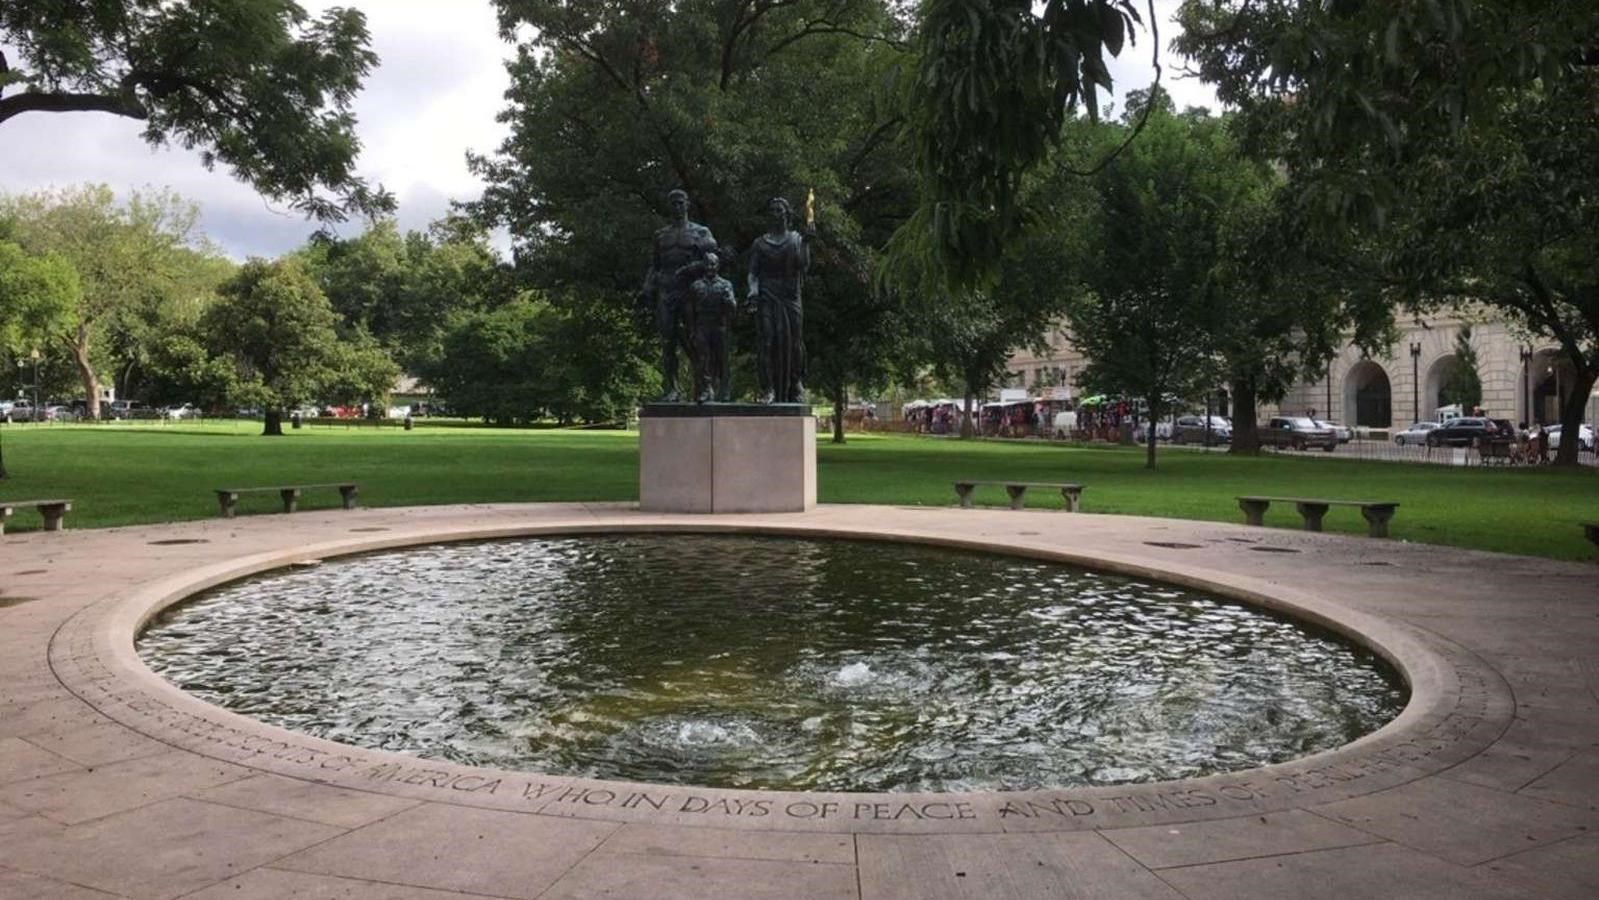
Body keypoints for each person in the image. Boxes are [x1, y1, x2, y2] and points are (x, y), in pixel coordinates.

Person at [641, 189, 718, 402]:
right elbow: (655, 266)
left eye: (680, 202)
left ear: (687, 204)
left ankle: (705, 386)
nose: (677, 206)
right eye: (673, 203)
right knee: (667, 343)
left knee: (697, 339)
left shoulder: (701, 233)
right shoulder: (661, 235)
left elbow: (712, 261)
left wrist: (693, 268)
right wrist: (648, 285)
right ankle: (672, 388)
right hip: (666, 292)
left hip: (690, 291)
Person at [747, 196, 812, 404]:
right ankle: (768, 388)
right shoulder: (759, 243)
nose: (775, 214)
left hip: (790, 296)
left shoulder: (797, 240)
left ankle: (796, 383)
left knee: (795, 342)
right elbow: (753, 273)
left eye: (779, 210)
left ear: (787, 214)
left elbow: (803, 266)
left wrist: (807, 243)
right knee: (767, 342)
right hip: (767, 295)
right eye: (772, 210)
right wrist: (753, 290)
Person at [679, 250, 737, 403]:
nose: (710, 267)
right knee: (703, 360)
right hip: (702, 326)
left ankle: (724, 390)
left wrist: (730, 301)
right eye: (708, 264)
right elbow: (689, 310)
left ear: (718, 266)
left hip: (720, 326)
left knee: (722, 359)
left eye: (713, 264)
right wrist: (690, 329)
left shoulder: (726, 285)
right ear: (703, 266)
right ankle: (706, 389)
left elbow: (733, 309)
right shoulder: (695, 286)